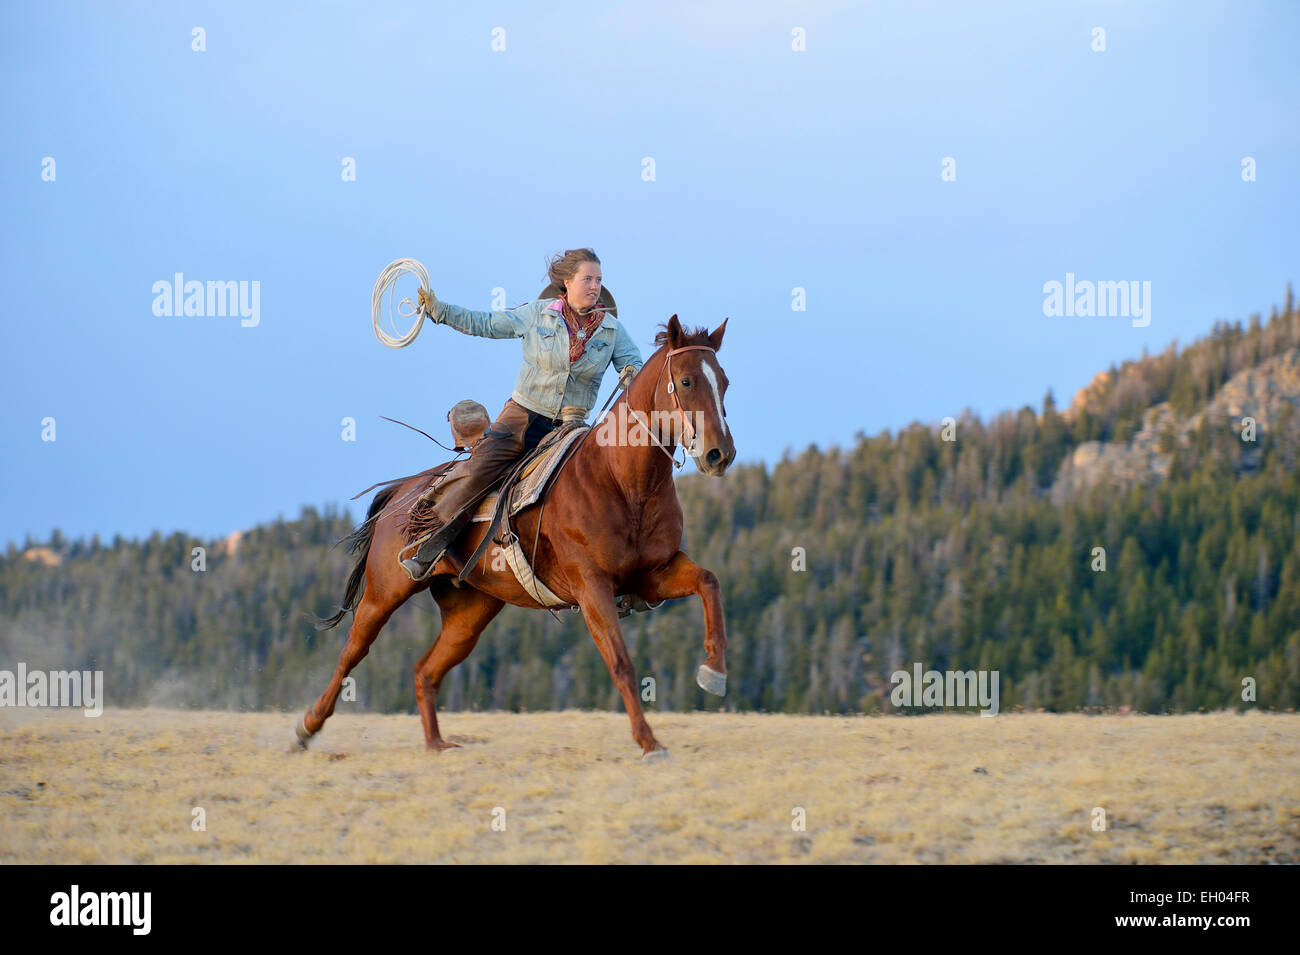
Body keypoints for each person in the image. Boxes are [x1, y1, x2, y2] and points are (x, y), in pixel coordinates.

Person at [400, 248, 644, 581]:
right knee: (479, 471)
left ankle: (620, 572)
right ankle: (431, 544)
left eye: (599, 279)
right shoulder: (536, 315)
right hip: (522, 419)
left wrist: (630, 371)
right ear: (567, 282)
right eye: (587, 278)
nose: (594, 285)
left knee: (608, 485)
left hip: (572, 428)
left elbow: (635, 363)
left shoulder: (613, 331)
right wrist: (438, 310)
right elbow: (485, 323)